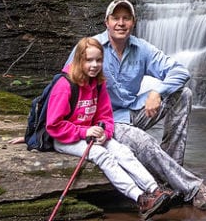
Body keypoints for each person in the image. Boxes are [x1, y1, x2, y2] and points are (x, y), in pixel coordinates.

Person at [68, 0, 206, 210]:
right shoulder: (91, 48)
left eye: (126, 18)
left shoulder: (141, 48)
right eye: (115, 18)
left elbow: (181, 71)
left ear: (133, 22)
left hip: (134, 110)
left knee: (183, 94)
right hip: (106, 121)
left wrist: (158, 91)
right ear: (106, 22)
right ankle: (191, 187)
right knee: (144, 141)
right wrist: (39, 127)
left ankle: (169, 174)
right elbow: (64, 83)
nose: (121, 23)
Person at [47, 36, 175, 220]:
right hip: (66, 138)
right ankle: (140, 199)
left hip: (91, 134)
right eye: (89, 60)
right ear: (78, 60)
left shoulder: (98, 84)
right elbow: (54, 125)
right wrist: (84, 131)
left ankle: (154, 190)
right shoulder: (65, 85)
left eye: (98, 60)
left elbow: (106, 116)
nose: (94, 65)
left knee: (122, 151)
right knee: (101, 155)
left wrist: (104, 133)